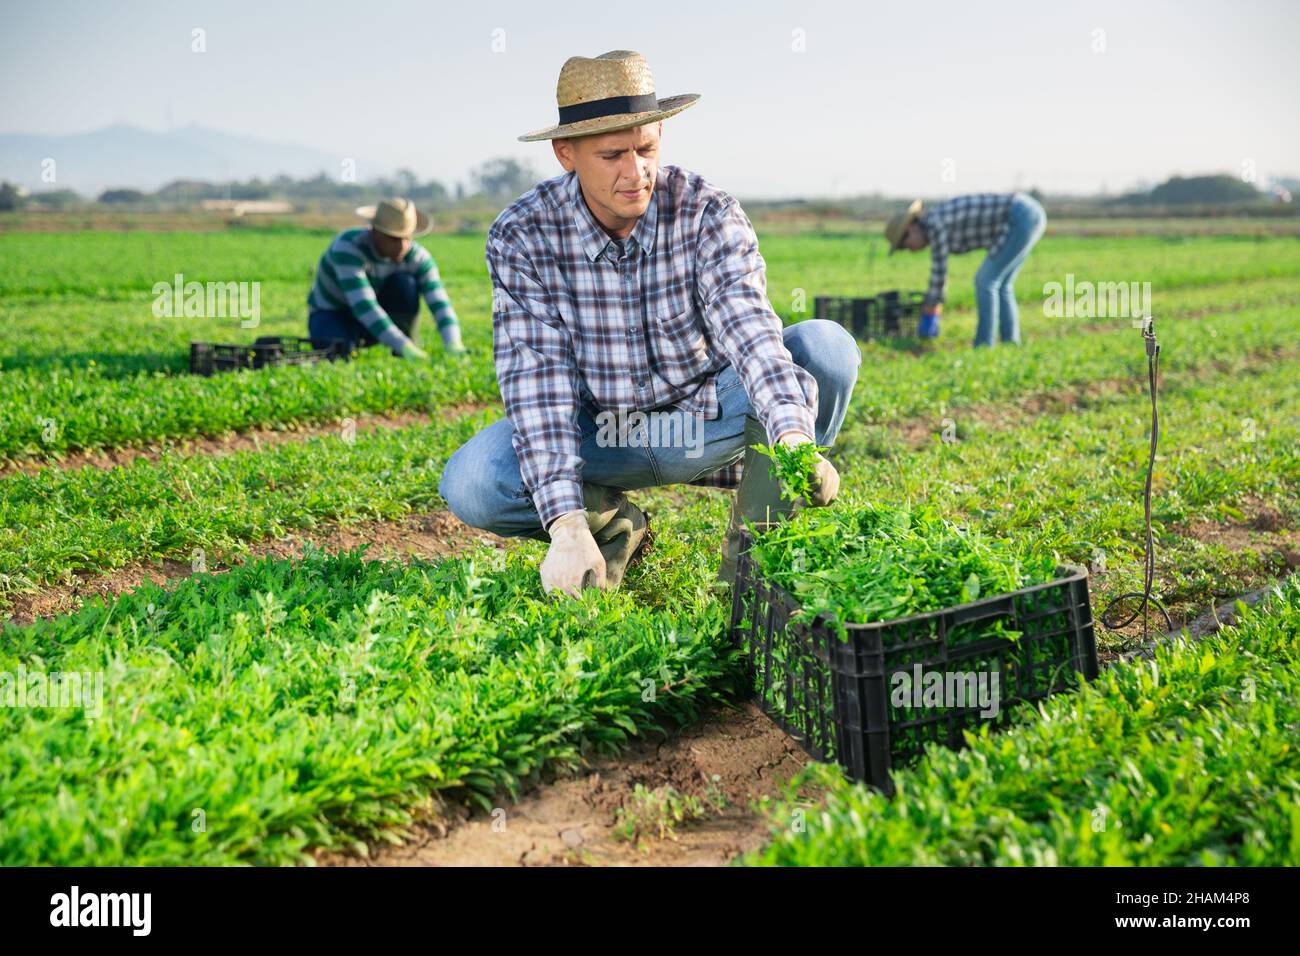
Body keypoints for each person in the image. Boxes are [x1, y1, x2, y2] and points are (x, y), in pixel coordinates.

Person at [438, 50, 860, 597]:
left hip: (707, 420)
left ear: (661, 133)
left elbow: (752, 334)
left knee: (824, 346)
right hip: (605, 434)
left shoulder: (707, 212)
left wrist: (795, 437)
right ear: (566, 154)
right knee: (475, 479)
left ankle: (753, 568)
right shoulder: (523, 234)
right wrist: (565, 525)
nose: (635, 173)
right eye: (612, 155)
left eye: (646, 149)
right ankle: (612, 532)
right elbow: (536, 382)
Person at [307, 197, 466, 358]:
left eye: (407, 237)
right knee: (339, 353)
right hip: (333, 313)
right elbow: (363, 305)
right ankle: (401, 347)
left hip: (377, 315)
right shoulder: (348, 247)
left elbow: (439, 302)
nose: (402, 246)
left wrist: (453, 341)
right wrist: (404, 346)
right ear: (375, 231)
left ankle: (402, 349)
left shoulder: (417, 257)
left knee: (405, 284)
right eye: (394, 238)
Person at [884, 192, 1047, 347]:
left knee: (985, 282)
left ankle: (984, 344)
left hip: (1020, 216)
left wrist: (931, 309)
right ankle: (1010, 342)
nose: (910, 250)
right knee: (1002, 285)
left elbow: (939, 273)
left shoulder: (934, 224)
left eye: (905, 245)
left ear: (911, 228)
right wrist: (935, 303)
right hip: (1027, 213)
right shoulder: (935, 220)